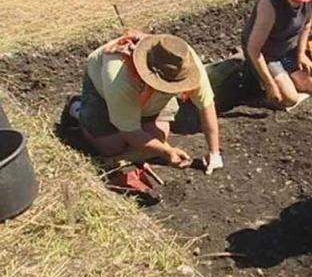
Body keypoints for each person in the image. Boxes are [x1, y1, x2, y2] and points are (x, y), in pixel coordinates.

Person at [63, 31, 223, 174]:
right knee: (112, 146)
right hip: (103, 92)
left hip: (143, 99)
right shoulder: (117, 75)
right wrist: (167, 152)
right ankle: (76, 107)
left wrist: (214, 153)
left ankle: (134, 118)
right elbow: (130, 133)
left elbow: (206, 106)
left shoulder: (186, 64)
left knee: (159, 136)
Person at [242, 0, 312, 108]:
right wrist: (269, 84)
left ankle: (287, 78)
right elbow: (254, 49)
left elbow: (307, 24)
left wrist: (301, 54)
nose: (297, 0)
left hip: (288, 49)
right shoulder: (269, 5)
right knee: (289, 99)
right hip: (267, 55)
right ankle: (260, 80)